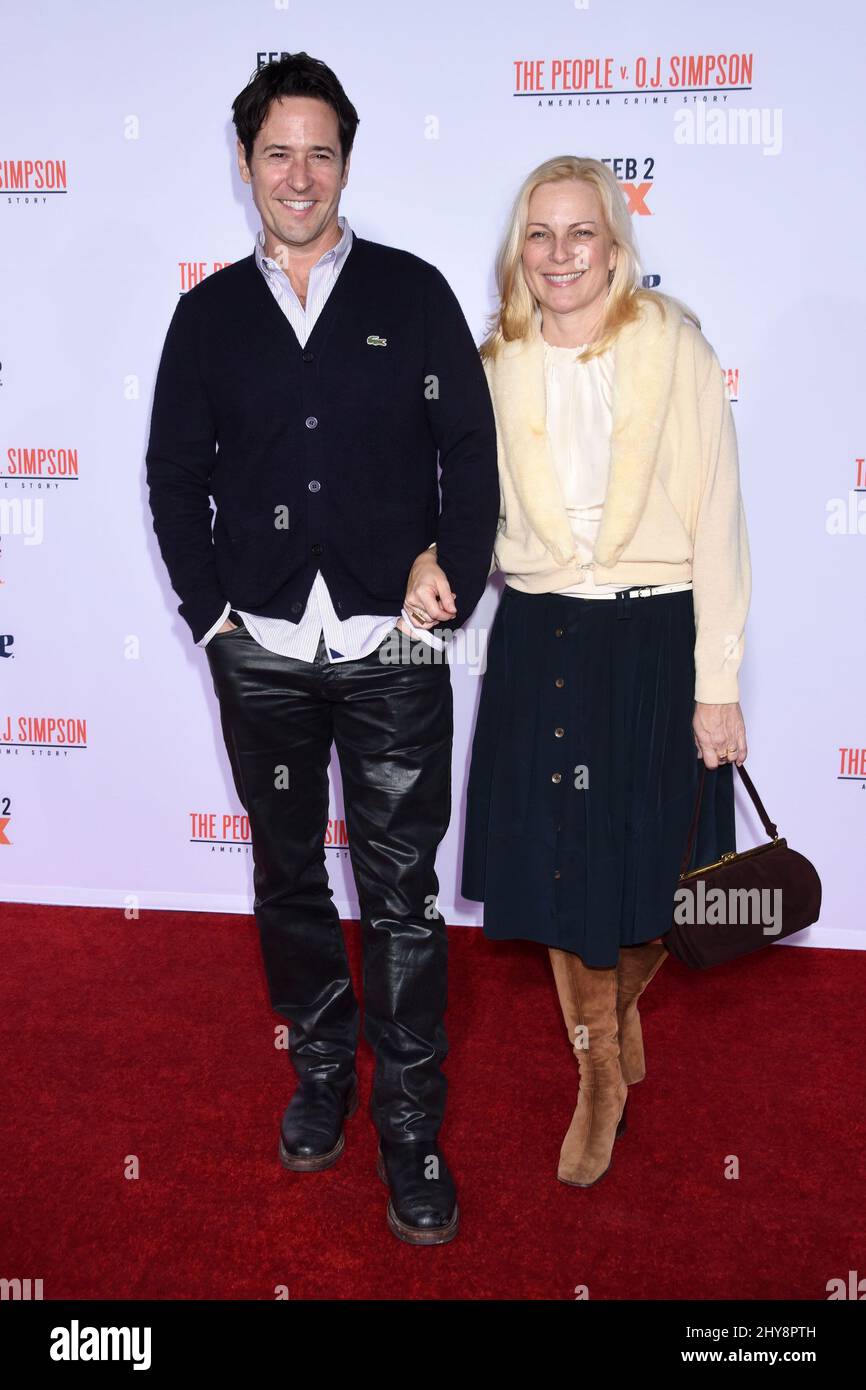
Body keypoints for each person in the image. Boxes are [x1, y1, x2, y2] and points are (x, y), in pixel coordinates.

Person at [145, 53, 499, 1244]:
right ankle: (319, 1075)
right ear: (245, 163)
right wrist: (212, 621)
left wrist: (446, 563)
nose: (299, 176)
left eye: (321, 152)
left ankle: (410, 1130)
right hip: (263, 653)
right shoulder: (206, 315)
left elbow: (470, 449)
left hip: (394, 648)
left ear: (348, 161)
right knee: (289, 881)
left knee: (400, 897)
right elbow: (173, 476)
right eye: (276, 152)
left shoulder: (410, 294)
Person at [461, 155, 750, 1187]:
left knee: (654, 869)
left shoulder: (672, 348)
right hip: (539, 636)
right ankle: (598, 1075)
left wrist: (716, 680)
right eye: (537, 234)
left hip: (652, 639)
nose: (557, 254)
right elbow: (456, 507)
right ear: (517, 249)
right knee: (556, 868)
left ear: (615, 245)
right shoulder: (492, 357)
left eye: (578, 233)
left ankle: (614, 1013)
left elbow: (716, 517)